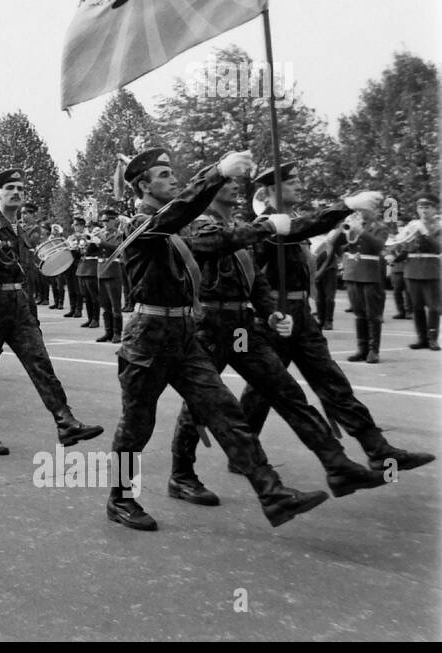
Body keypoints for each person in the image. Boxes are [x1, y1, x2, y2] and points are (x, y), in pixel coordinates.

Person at [106, 148, 329, 532]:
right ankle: (120, 499)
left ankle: (272, 493)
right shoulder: (138, 226)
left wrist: (262, 228)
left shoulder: (177, 226)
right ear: (143, 185)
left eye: (172, 173)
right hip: (147, 336)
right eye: (163, 175)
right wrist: (216, 173)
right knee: (136, 425)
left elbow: (211, 236)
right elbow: (174, 214)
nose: (172, 179)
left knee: (225, 410)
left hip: (184, 334)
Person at [165, 177, 389, 505]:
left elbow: (257, 276)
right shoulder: (198, 226)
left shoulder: (240, 225)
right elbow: (216, 243)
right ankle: (181, 475)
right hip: (209, 326)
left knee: (286, 391)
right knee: (201, 404)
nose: (232, 187)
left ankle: (337, 465)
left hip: (242, 325)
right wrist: (266, 227)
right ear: (208, 191)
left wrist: (270, 312)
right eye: (222, 183)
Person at [239, 164, 435, 472]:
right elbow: (300, 232)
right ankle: (242, 452)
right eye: (291, 182)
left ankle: (378, 450)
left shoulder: (291, 222)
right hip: (276, 318)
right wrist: (345, 206)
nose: (299, 185)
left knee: (332, 383)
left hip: (301, 316)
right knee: (263, 390)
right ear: (268, 192)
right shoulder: (267, 225)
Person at [0, 168, 101, 456]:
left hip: (19, 304)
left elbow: (28, 272)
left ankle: (65, 421)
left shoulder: (20, 230)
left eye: (21, 189)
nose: (17, 193)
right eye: (10, 188)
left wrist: (33, 315)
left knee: (41, 363)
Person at [338, 205, 390, 363]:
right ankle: (362, 349)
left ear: (374, 210)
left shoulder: (380, 227)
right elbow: (340, 247)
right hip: (353, 272)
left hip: (370, 273)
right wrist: (343, 232)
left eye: (364, 208)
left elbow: (380, 245)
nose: (360, 212)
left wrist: (361, 232)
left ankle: (374, 350)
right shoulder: (352, 224)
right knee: (358, 313)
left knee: (372, 314)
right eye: (359, 209)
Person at [396, 192, 442, 350]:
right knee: (416, 306)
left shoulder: (439, 225)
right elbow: (403, 246)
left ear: (435, 209)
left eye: (427, 207)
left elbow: (438, 247)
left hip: (431, 269)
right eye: (421, 207)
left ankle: (433, 338)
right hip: (412, 268)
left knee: (434, 307)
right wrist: (395, 255)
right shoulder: (412, 225)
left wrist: (425, 233)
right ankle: (422, 338)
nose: (424, 211)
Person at [94, 208, 124, 342]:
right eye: (103, 221)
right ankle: (108, 332)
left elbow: (117, 249)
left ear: (114, 221)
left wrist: (100, 243)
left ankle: (117, 333)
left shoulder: (120, 234)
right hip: (101, 271)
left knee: (115, 306)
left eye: (107, 220)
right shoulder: (99, 234)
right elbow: (91, 252)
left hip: (113, 270)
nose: (104, 223)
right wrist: (89, 242)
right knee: (105, 306)